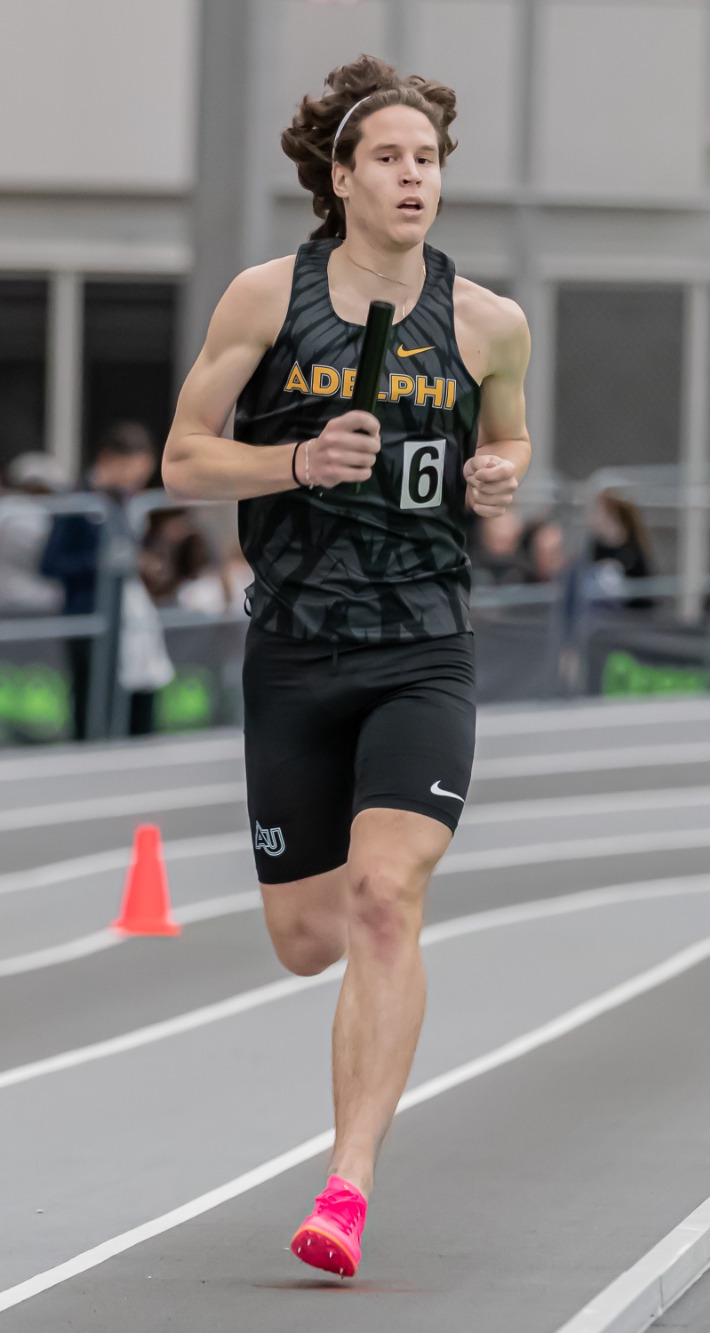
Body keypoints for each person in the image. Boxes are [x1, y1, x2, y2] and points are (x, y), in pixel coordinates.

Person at [160, 55, 529, 1277]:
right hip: (296, 649)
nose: (411, 176)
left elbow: (512, 433)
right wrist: (294, 465)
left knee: (384, 897)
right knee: (307, 936)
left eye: (426, 158)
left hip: (422, 646)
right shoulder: (267, 301)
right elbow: (180, 460)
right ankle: (350, 1133)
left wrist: (497, 473)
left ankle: (348, 1184)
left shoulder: (487, 322)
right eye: (387, 157)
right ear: (340, 177)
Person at [38, 423, 159, 739]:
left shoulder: (124, 502)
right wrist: (103, 563)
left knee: (134, 702)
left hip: (125, 621)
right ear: (109, 459)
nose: (136, 482)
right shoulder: (78, 501)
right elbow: (50, 563)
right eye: (133, 472)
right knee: (91, 707)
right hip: (88, 618)